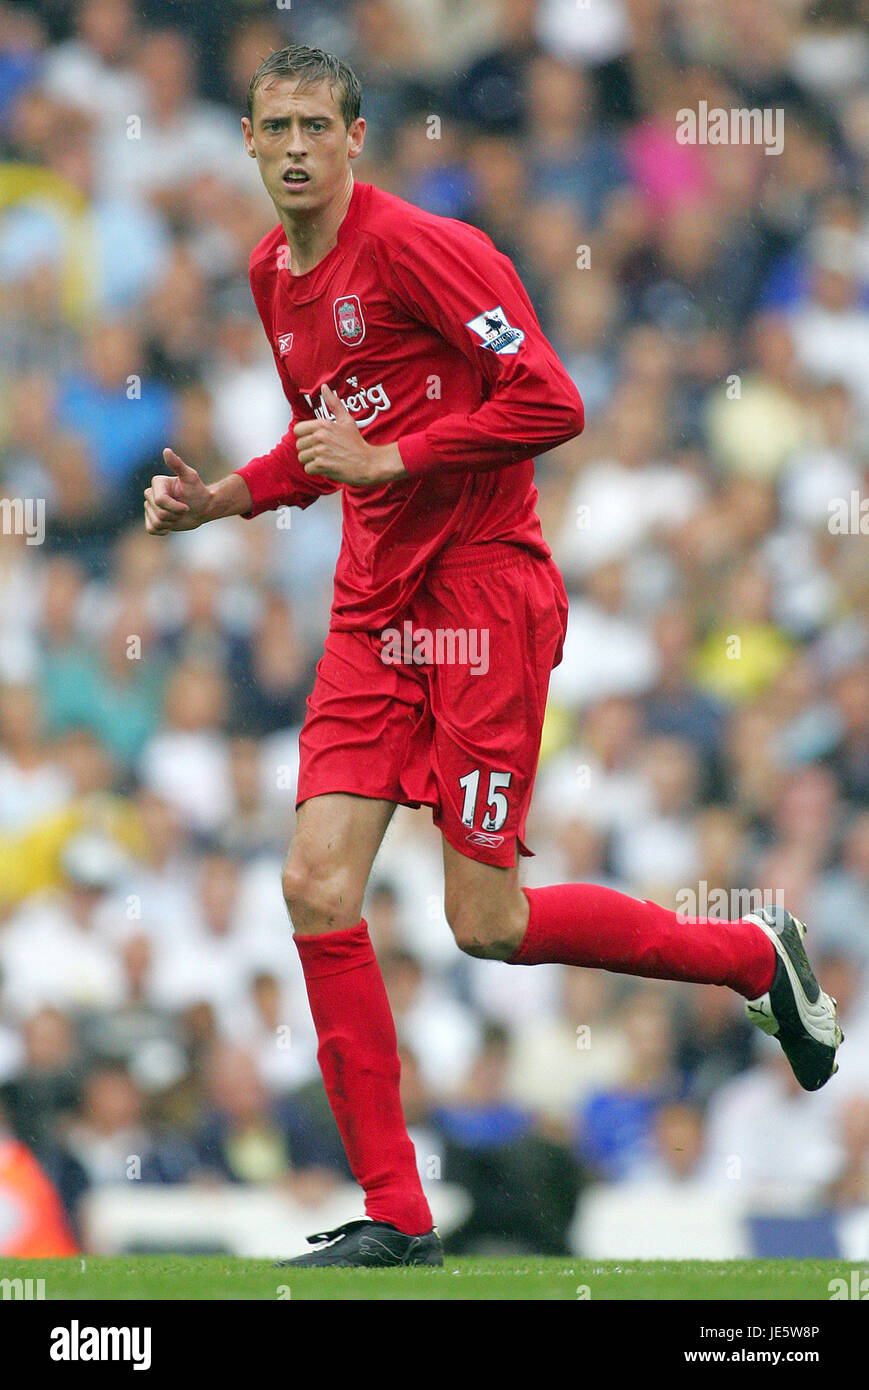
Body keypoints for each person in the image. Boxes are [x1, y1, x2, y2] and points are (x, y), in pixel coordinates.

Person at [143, 44, 843, 1267]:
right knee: (314, 884)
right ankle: (394, 1211)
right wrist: (231, 499)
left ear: (356, 139)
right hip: (372, 607)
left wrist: (398, 465)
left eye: (318, 124)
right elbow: (332, 437)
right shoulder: (270, 274)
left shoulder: (422, 245)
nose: (296, 146)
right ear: (247, 144)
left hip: (481, 599)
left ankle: (748, 954)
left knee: (486, 920)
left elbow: (552, 399)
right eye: (275, 128)